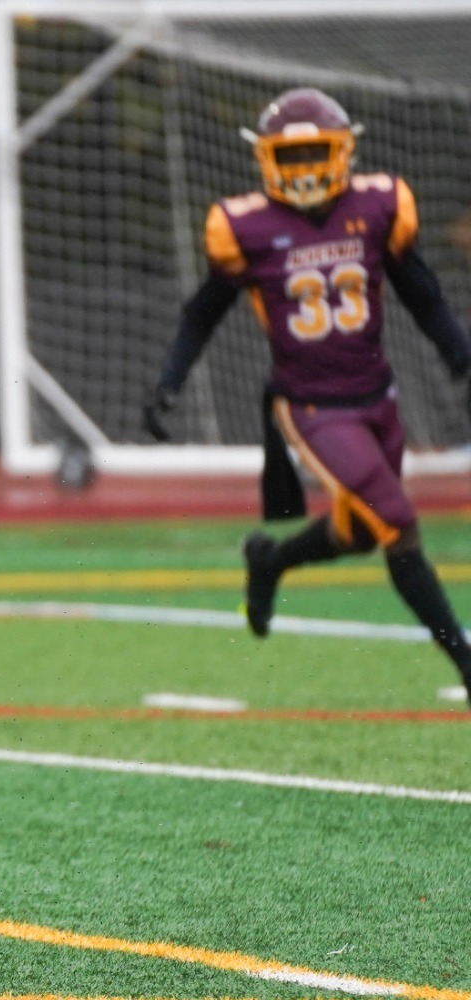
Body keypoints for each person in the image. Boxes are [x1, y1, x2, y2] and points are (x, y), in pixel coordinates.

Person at [145, 88, 471, 696]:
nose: (302, 170)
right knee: (397, 523)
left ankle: (271, 560)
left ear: (343, 150)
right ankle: (466, 661)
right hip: (312, 406)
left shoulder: (377, 208)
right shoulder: (245, 226)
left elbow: (420, 291)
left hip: (378, 396)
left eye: (314, 154)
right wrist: (170, 381)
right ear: (265, 159)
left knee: (359, 533)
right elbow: (202, 313)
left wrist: (459, 352)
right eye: (288, 158)